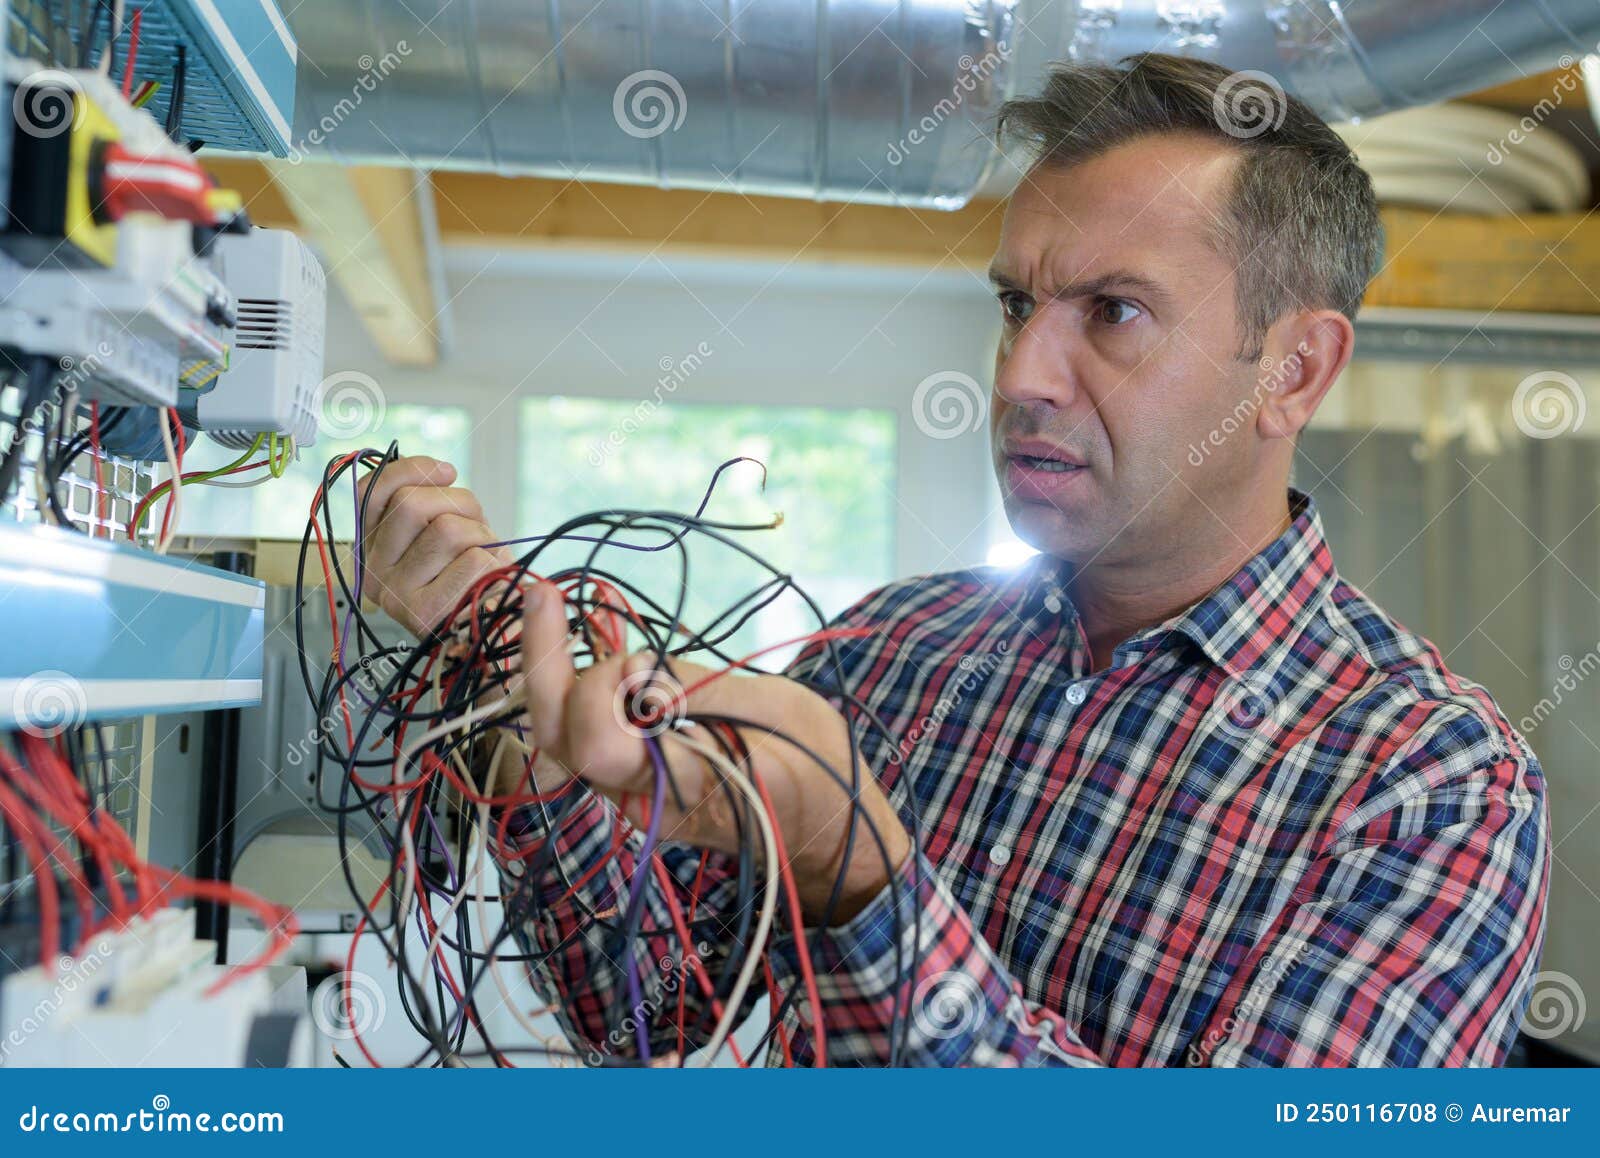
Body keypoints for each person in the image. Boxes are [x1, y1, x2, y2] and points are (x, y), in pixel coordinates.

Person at [357, 53, 1548, 1066]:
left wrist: (855, 869)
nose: (1022, 376)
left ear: (1293, 370)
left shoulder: (1430, 783)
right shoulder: (891, 647)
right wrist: (511, 687)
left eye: (1114, 312)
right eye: (1015, 307)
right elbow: (649, 1010)